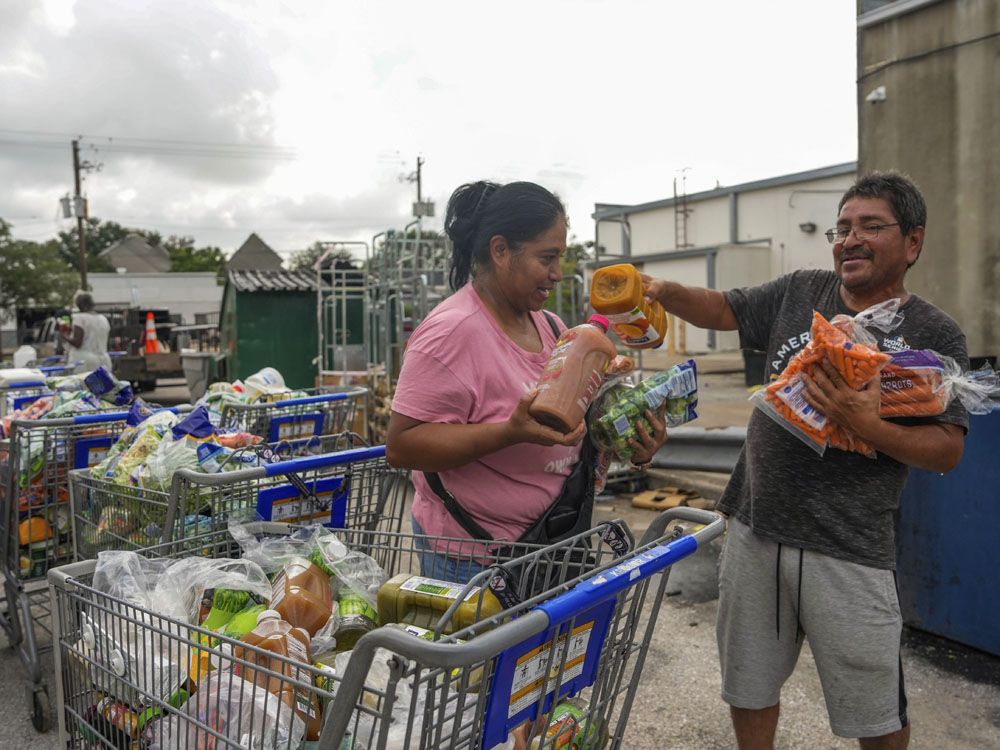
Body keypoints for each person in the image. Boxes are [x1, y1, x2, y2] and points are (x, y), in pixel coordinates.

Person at [643, 171, 967, 750]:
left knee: (875, 710)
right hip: (756, 526)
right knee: (748, 682)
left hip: (851, 545)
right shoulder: (801, 291)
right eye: (842, 228)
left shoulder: (934, 333)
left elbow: (947, 448)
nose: (850, 239)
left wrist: (865, 422)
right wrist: (665, 291)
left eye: (871, 226)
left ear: (913, 243)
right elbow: (723, 309)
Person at [386, 180, 667, 582]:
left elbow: (574, 422)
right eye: (546, 258)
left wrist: (632, 438)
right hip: (476, 561)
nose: (557, 274)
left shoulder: (551, 326)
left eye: (560, 258)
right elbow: (402, 445)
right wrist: (509, 432)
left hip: (555, 543)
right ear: (500, 251)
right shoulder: (452, 332)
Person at [60, 292, 112, 371]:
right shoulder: (103, 319)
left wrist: (64, 335)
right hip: (104, 360)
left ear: (80, 305)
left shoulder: (80, 318)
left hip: (84, 362)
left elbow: (77, 342)